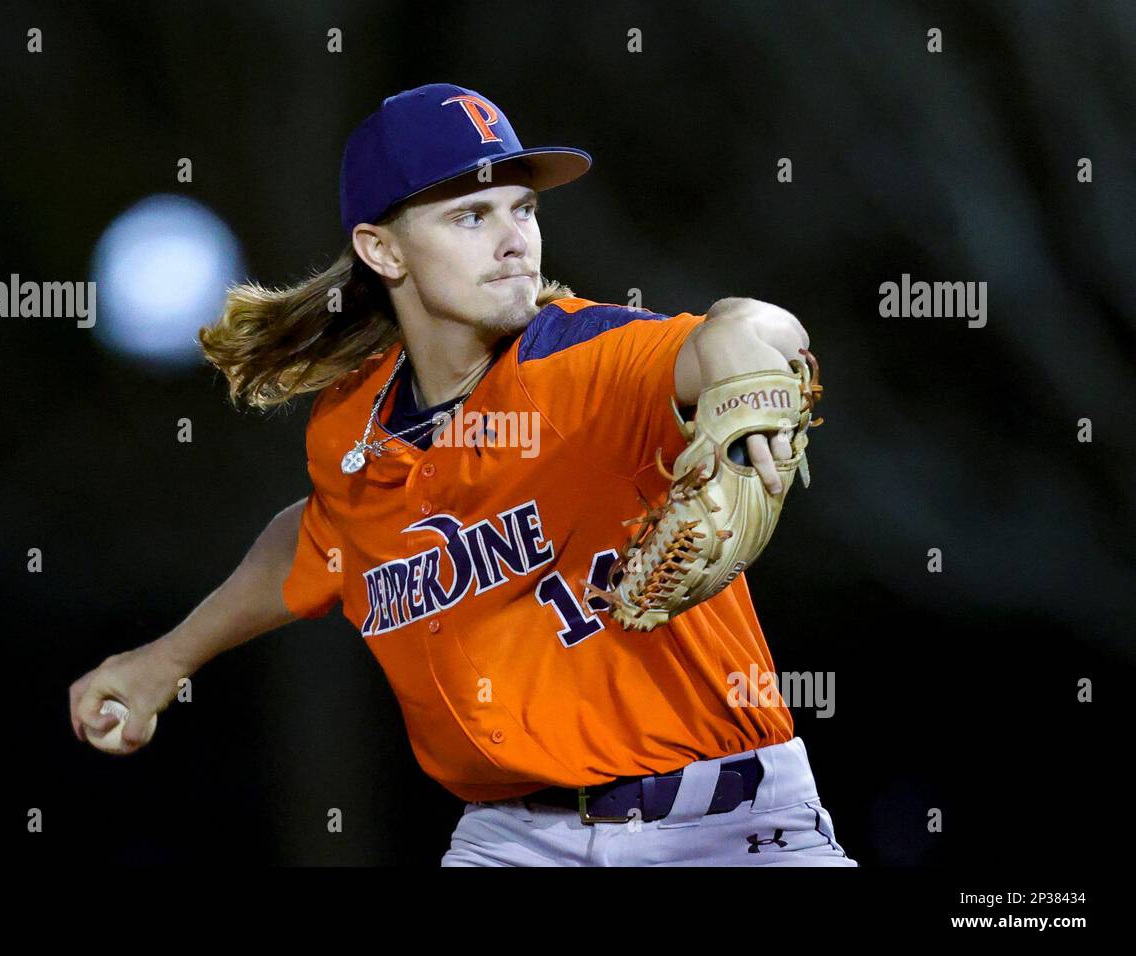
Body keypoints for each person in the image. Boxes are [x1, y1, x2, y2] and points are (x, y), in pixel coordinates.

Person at [69, 83, 857, 867]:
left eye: (524, 209)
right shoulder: (353, 426)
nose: (514, 239)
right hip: (511, 840)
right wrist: (162, 662)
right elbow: (321, 537)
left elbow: (747, 326)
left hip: (728, 829)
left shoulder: (581, 365)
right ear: (382, 251)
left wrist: (751, 374)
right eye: (472, 216)